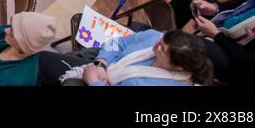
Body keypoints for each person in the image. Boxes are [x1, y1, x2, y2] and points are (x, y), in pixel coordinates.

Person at [38, 29, 213, 87]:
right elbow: (120, 43)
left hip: (96, 81)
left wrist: (94, 82)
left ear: (177, 68)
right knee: (44, 60)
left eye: (162, 49)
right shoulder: (155, 37)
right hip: (103, 66)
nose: (156, 44)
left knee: (43, 63)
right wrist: (101, 64)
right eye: (163, 39)